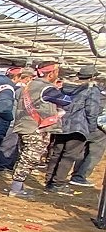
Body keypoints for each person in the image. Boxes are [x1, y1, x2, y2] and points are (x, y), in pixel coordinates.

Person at [43, 64, 102, 195]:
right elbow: (91, 111)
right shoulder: (91, 89)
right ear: (93, 77)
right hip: (78, 127)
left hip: (61, 124)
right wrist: (91, 128)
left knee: (57, 153)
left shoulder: (66, 87)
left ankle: (49, 181)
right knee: (69, 155)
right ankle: (58, 184)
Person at [7, 61, 62, 198]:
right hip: (36, 128)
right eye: (57, 71)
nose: (58, 74)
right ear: (51, 73)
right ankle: (16, 188)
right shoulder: (47, 88)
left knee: (24, 156)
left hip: (25, 126)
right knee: (30, 158)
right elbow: (65, 101)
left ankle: (18, 186)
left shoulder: (27, 86)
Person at [70, 65, 104, 187]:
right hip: (95, 125)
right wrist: (93, 126)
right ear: (93, 77)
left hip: (79, 125)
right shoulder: (94, 90)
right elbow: (93, 109)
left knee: (82, 150)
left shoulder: (73, 87)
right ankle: (80, 176)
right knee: (95, 153)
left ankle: (76, 174)